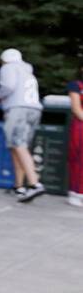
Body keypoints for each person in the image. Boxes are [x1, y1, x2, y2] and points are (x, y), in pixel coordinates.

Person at [0, 48, 45, 203]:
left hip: (18, 109)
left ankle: (34, 183)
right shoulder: (26, 69)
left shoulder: (8, 68)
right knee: (19, 147)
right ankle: (19, 186)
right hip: (34, 109)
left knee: (18, 145)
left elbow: (8, 87)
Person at [68, 65, 83, 208]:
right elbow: (77, 109)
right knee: (79, 159)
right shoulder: (76, 85)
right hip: (80, 126)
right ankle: (75, 193)